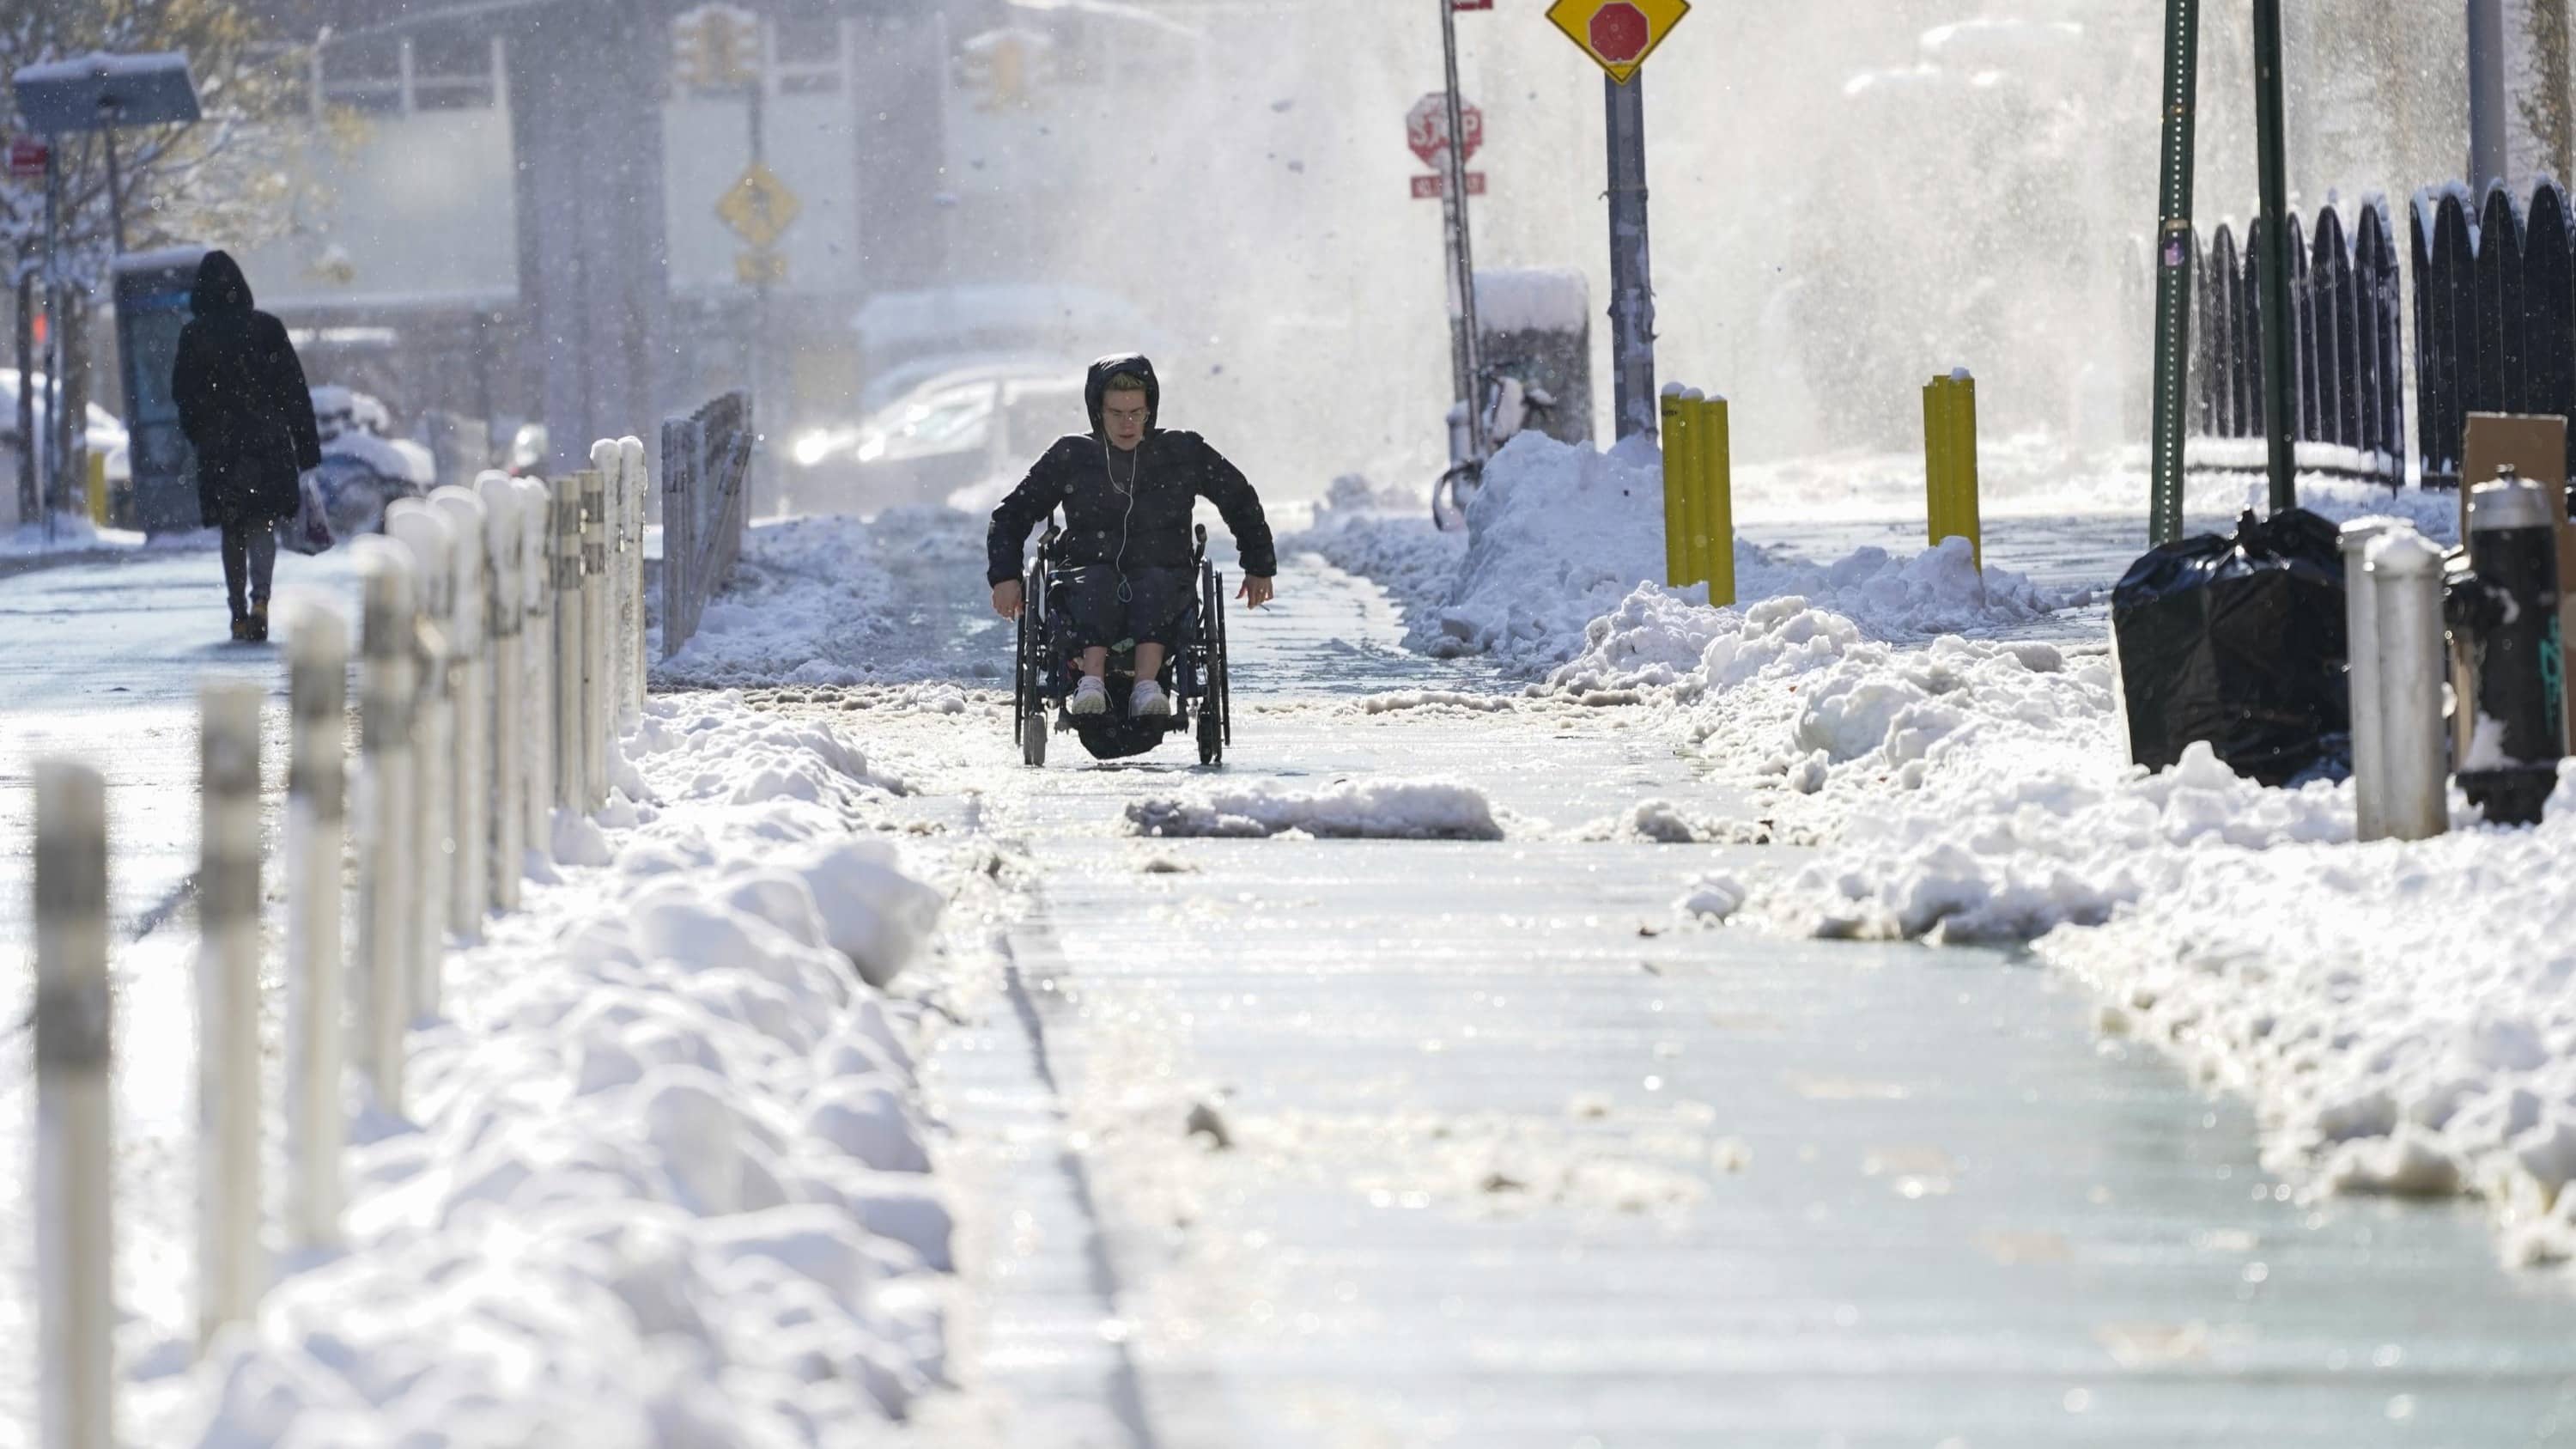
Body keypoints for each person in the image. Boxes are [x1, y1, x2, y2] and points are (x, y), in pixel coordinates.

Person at [988, 354, 1276, 718]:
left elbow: (1239, 498)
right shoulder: (1072, 455)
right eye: (1116, 413)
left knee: (1155, 582)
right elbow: (1011, 513)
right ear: (1098, 412)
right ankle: (1090, 682)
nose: (1127, 424)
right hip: (1086, 578)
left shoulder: (1179, 451)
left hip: (1162, 577)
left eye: (1136, 413)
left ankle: (1146, 684)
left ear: (1149, 409)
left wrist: (1259, 564)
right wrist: (1005, 576)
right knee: (1095, 582)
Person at [173, 250, 324, 643]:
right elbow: (294, 391)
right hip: (267, 443)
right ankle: (261, 599)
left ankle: (238, 612)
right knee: (262, 523)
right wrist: (306, 447)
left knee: (232, 527)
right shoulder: (267, 329)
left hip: (220, 448)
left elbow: (182, 396)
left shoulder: (194, 336)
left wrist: (201, 435)